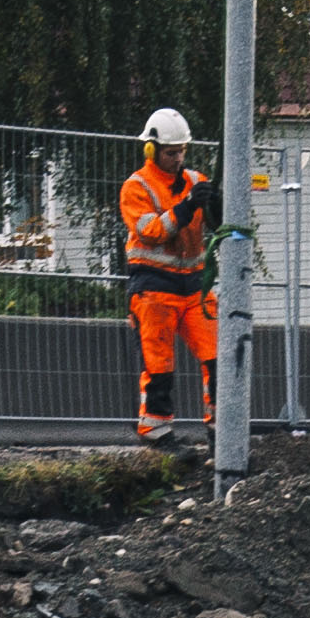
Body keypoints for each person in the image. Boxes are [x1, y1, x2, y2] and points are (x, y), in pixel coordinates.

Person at [119, 108, 217, 442]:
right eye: (171, 153)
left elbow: (216, 224)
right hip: (154, 288)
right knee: (158, 365)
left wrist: (215, 205)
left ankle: (222, 427)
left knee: (217, 356)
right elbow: (150, 231)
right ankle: (156, 430)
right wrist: (188, 206)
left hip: (195, 288)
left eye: (181, 152)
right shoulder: (136, 187)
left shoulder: (195, 181)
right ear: (152, 151)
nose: (178, 159)